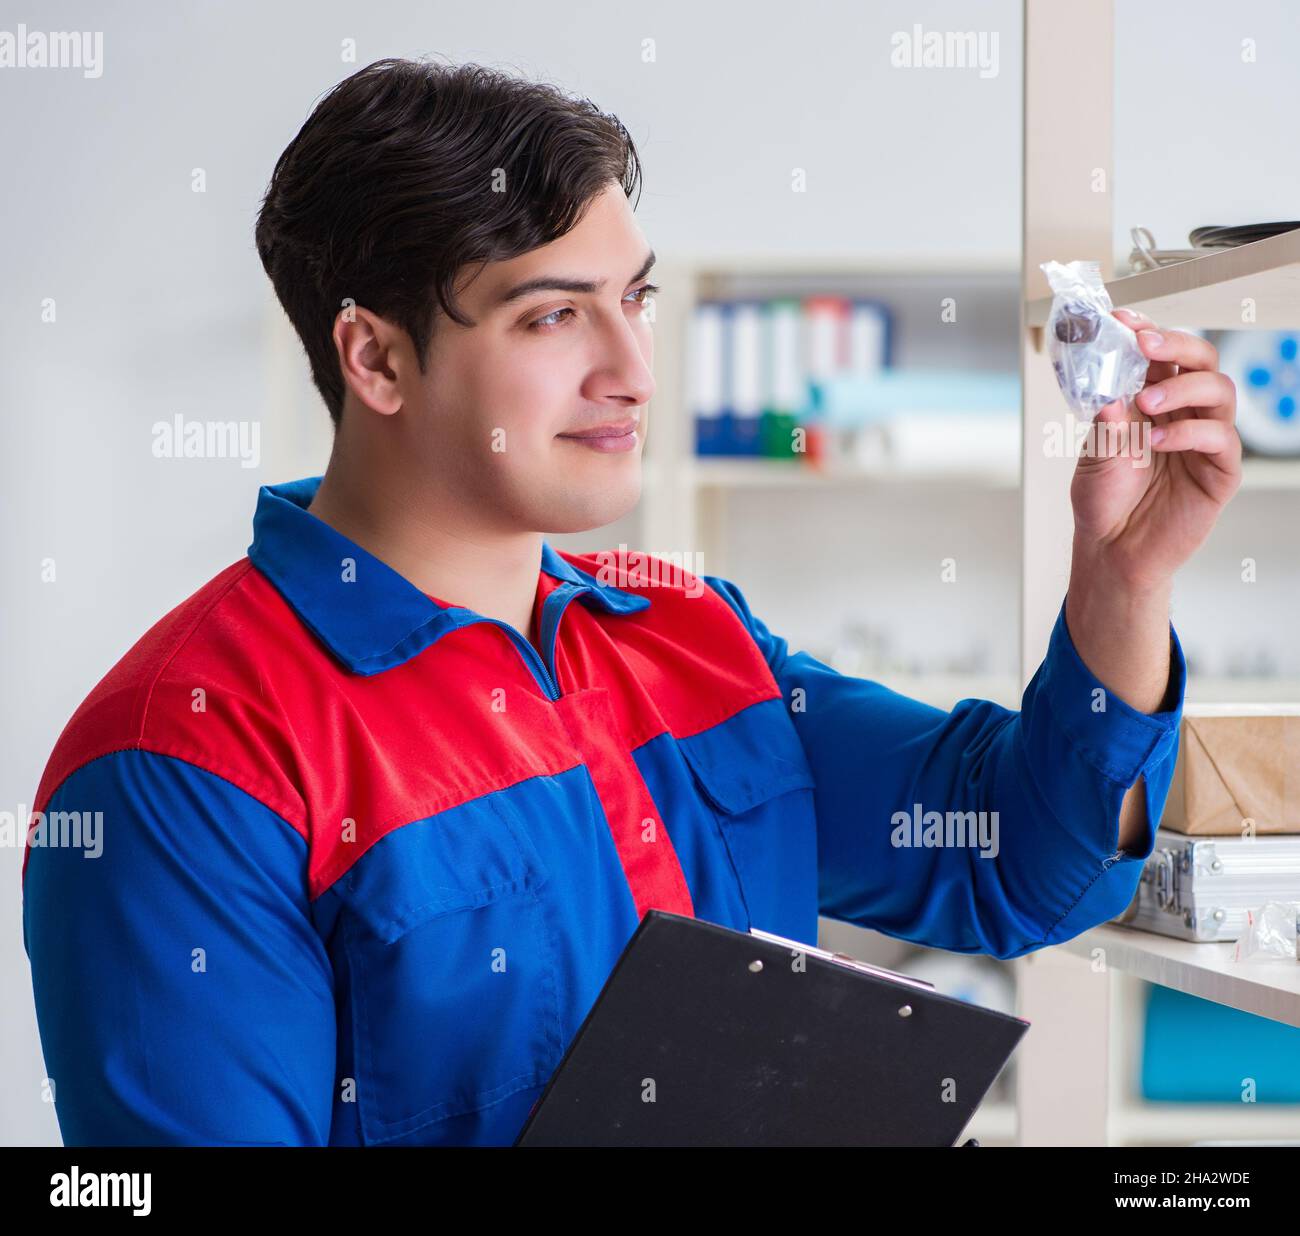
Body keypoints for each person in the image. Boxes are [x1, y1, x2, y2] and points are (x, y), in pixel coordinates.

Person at [21, 57, 1240, 1147]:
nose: (635, 372)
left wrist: (1123, 579)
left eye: (637, 299)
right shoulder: (181, 756)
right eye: (554, 313)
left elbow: (1018, 864)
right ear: (376, 358)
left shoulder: (684, 631)